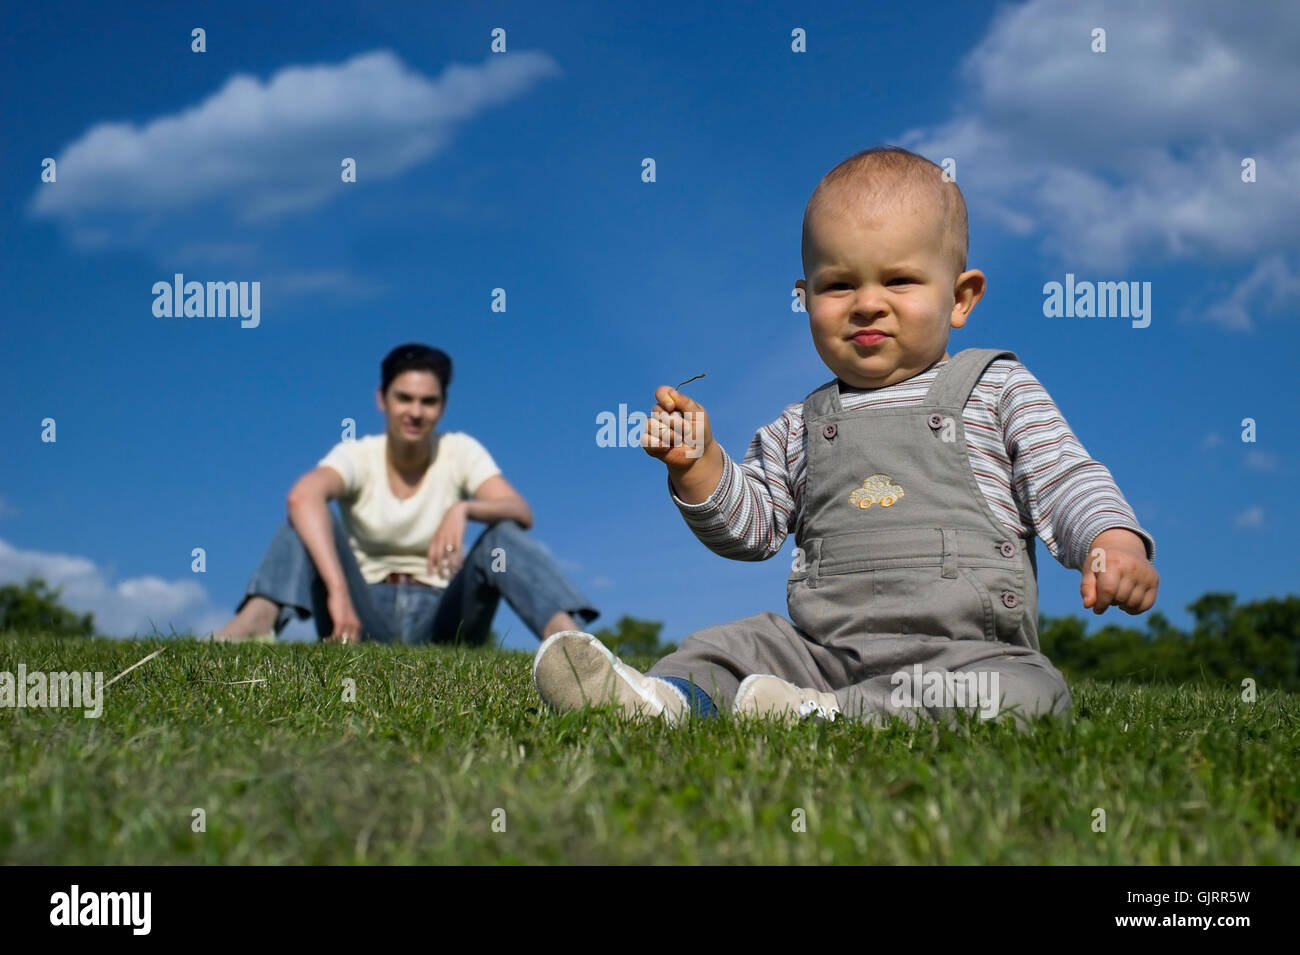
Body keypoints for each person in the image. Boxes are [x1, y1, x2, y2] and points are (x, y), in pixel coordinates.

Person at [533, 146, 1158, 728]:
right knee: (729, 646)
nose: (867, 304)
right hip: (819, 652)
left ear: (961, 297)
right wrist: (696, 464)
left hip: (965, 656)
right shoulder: (798, 426)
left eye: (900, 280)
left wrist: (1113, 540)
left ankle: (821, 716)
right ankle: (659, 702)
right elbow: (751, 530)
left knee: (1031, 690)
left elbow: (1065, 477)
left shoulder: (995, 389)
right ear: (805, 298)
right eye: (838, 285)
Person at [215, 343, 598, 645]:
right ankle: (254, 622)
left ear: (442, 406)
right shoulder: (357, 454)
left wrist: (463, 508)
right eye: (404, 398)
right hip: (358, 613)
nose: (415, 412)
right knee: (304, 520)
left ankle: (570, 644)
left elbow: (520, 510)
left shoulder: (460, 450)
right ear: (382, 399)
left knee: (503, 535)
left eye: (428, 401)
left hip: (445, 618)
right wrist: (338, 593)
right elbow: (303, 496)